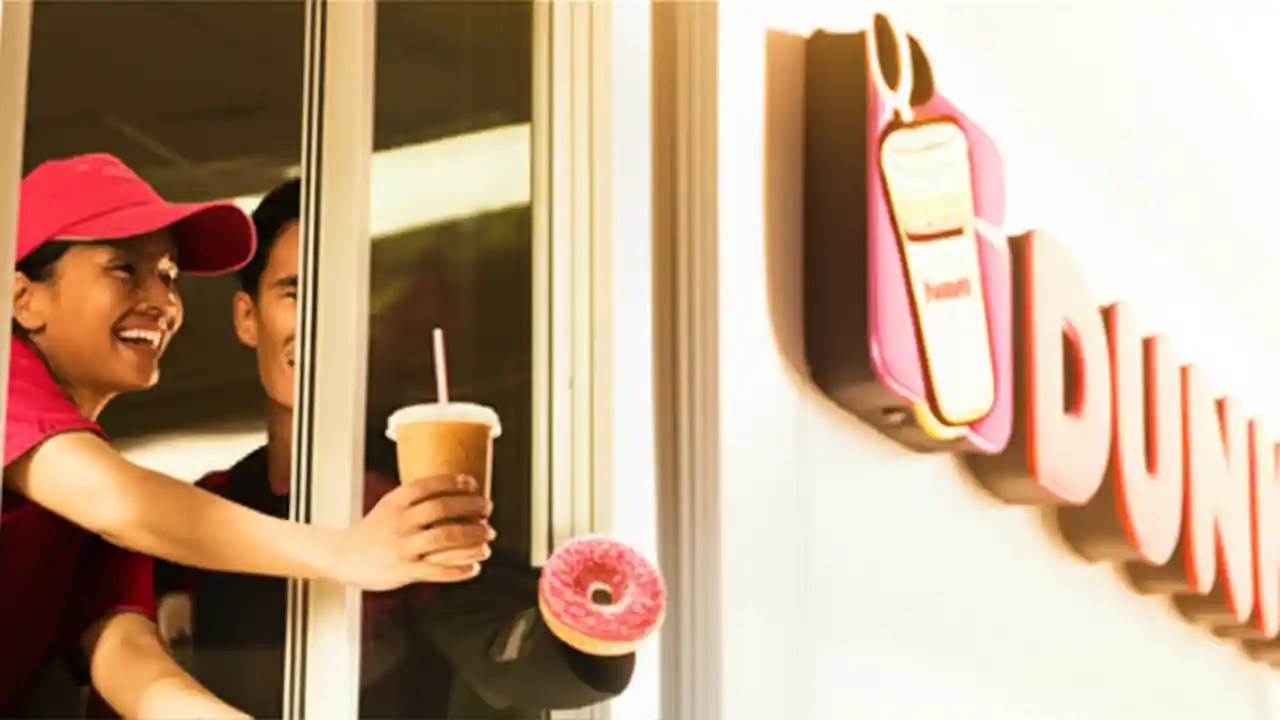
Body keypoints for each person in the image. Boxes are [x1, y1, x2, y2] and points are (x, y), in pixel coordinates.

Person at [1, 154, 493, 718]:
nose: (162, 302)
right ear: (24, 298)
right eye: (123, 269)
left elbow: (132, 663)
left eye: (167, 275)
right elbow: (119, 500)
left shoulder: (88, 508)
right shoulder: (6, 384)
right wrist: (346, 553)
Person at [154, 178, 635, 718]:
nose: (320, 322)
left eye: (344, 297)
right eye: (295, 292)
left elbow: (512, 652)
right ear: (248, 318)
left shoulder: (400, 499)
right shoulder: (211, 504)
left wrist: (592, 618)